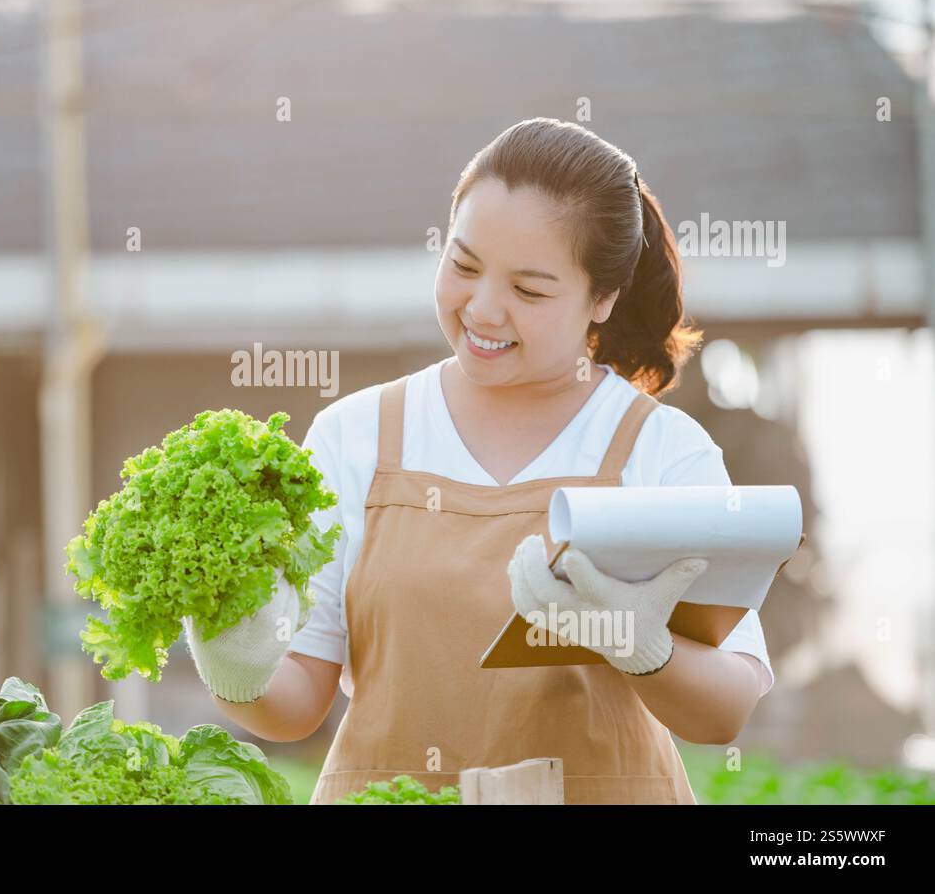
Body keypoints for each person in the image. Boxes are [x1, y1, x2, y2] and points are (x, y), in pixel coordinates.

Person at [186, 118, 774, 805]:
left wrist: (641, 645)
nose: (484, 309)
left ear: (602, 298)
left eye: (529, 290)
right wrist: (237, 664)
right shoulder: (353, 436)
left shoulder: (661, 450)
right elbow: (297, 705)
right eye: (464, 266)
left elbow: (725, 709)